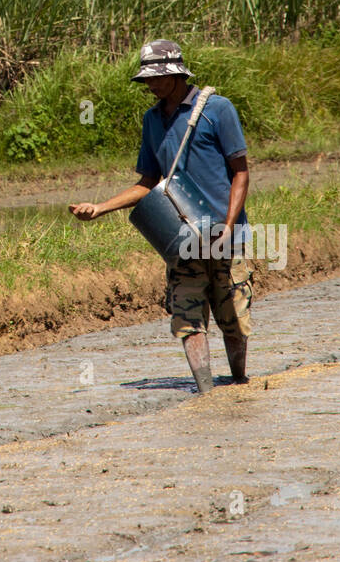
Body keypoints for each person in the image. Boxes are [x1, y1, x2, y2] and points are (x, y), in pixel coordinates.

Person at [69, 40, 252, 394]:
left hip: (222, 236)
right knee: (187, 318)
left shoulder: (219, 109)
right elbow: (149, 183)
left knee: (233, 320)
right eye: (147, 80)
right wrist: (100, 207)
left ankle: (238, 380)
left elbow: (241, 173)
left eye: (158, 78)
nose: (151, 86)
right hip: (181, 238)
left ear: (177, 74)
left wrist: (229, 227)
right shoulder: (151, 120)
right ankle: (205, 392)